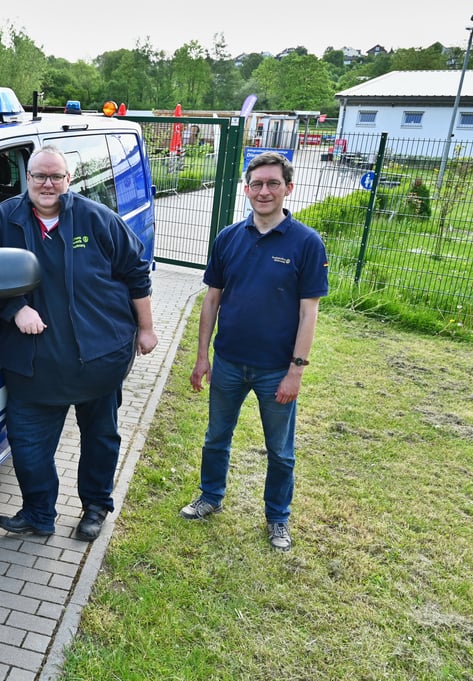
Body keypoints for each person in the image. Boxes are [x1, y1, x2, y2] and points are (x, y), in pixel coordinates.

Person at [0, 146, 157, 541]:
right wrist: (14, 308)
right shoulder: (2, 221)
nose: (47, 184)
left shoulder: (98, 219)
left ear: (68, 180)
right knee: (28, 445)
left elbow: (136, 274)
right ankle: (38, 513)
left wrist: (146, 329)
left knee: (100, 439)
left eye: (56, 176)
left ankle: (95, 508)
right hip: (34, 362)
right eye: (39, 176)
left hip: (98, 356)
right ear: (29, 179)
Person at [178, 151, 328, 552]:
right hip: (227, 362)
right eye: (257, 184)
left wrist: (295, 370)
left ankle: (278, 518)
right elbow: (212, 300)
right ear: (246, 189)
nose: (264, 191)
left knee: (280, 451)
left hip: (275, 370)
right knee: (215, 438)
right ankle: (210, 496)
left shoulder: (306, 243)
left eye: (273, 183)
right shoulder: (229, 237)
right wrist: (202, 356)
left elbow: (308, 310)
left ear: (288, 188)